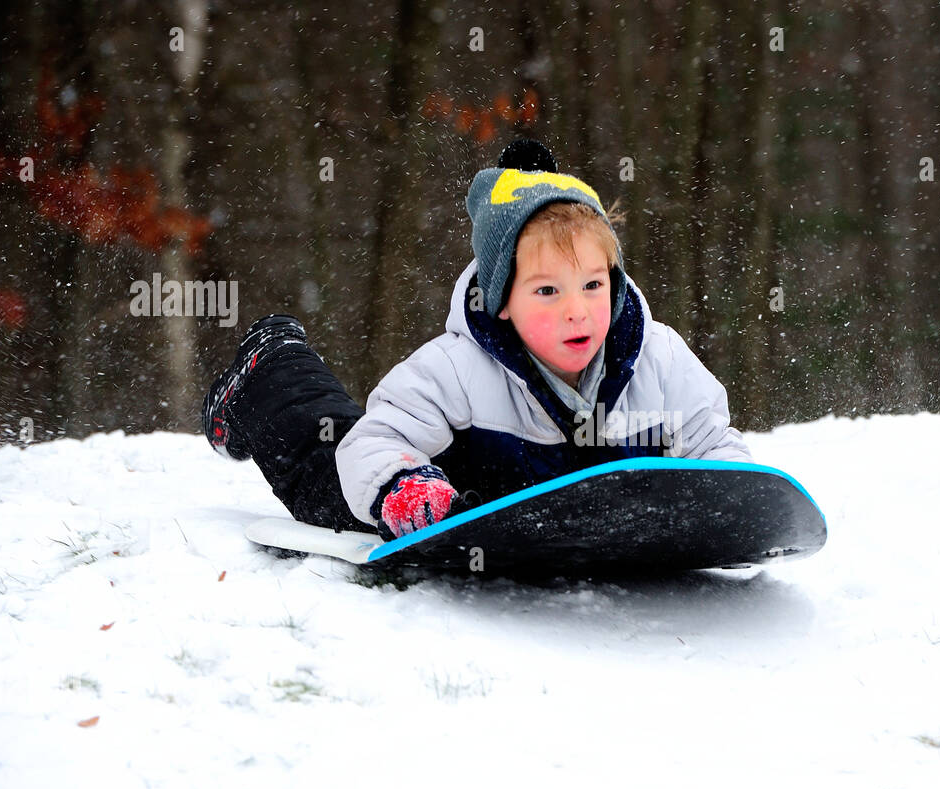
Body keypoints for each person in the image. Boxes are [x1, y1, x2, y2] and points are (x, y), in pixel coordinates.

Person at [201, 139, 751, 541]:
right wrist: (403, 484)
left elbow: (711, 441)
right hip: (429, 502)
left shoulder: (660, 359)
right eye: (546, 291)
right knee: (325, 466)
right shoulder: (458, 367)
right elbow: (375, 439)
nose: (576, 310)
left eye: (592, 285)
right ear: (502, 302)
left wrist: (725, 497)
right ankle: (271, 367)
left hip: (556, 516)